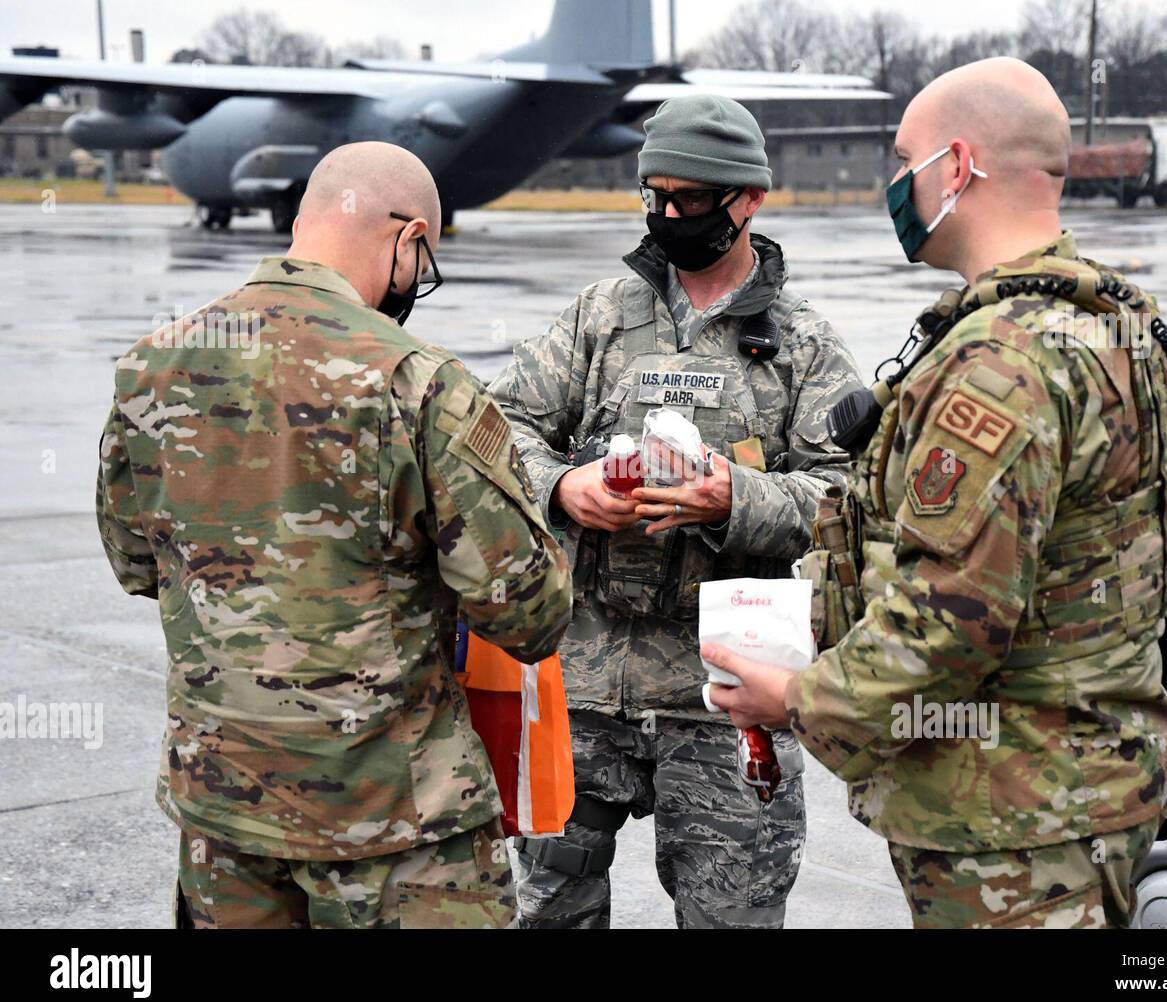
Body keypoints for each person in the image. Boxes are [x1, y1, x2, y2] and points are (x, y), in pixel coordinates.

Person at [703, 57, 1167, 930]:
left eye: (905, 161)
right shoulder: (1112, 322)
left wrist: (799, 699)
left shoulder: (1001, 362)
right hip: (1082, 783)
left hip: (1011, 820)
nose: (896, 183)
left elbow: (948, 624)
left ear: (957, 168)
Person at [95, 141, 573, 929]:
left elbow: (134, 561)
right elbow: (527, 611)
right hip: (392, 826)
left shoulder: (153, 365)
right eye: (423, 262)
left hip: (224, 817)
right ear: (407, 238)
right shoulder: (419, 383)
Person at [488, 94, 863, 929]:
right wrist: (561, 488)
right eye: (653, 193)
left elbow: (850, 498)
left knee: (732, 918)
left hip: (727, 701)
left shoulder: (802, 343)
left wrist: (738, 497)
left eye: (690, 199)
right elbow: (496, 425)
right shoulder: (598, 316)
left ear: (748, 201)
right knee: (545, 913)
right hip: (580, 687)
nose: (666, 214)